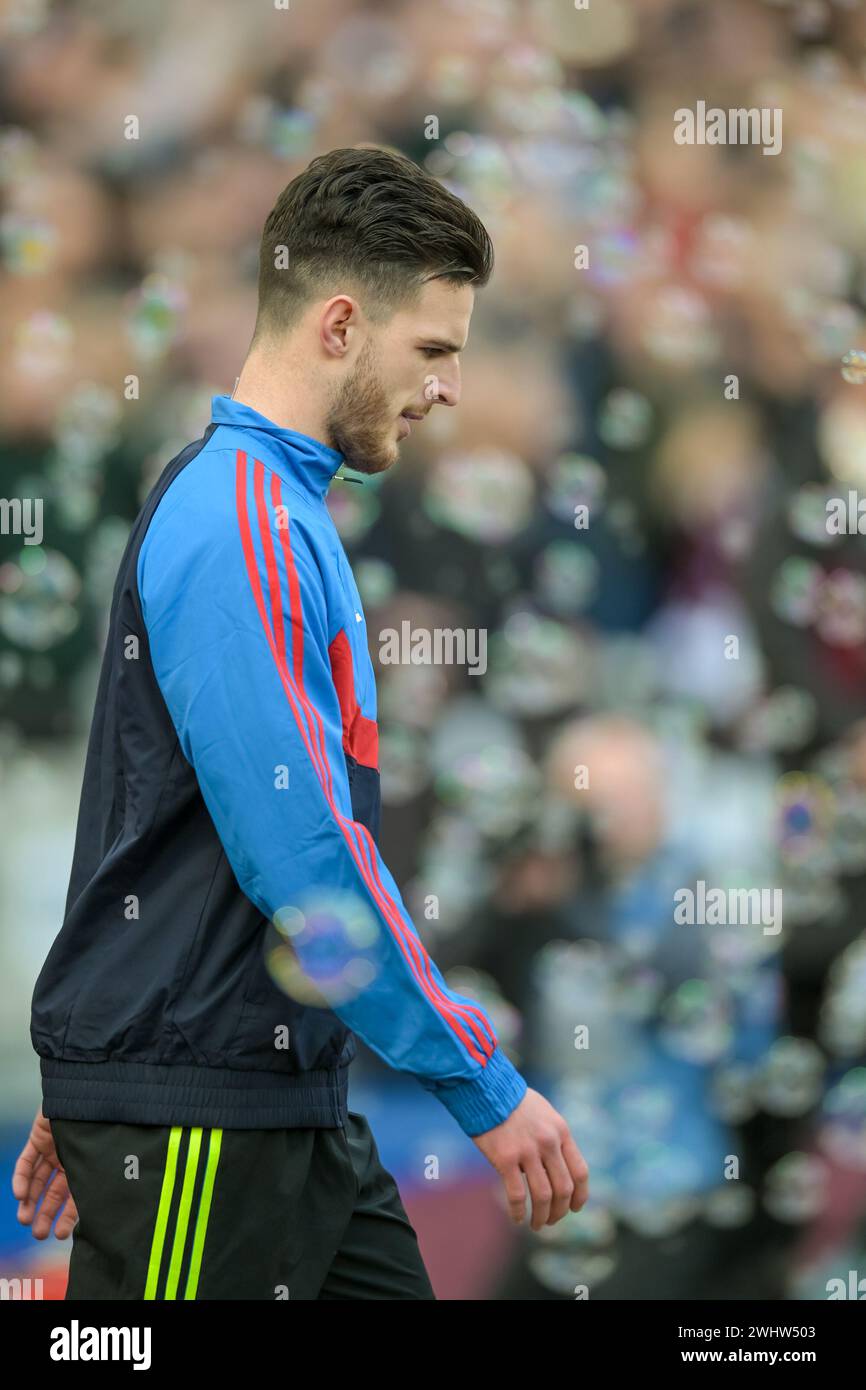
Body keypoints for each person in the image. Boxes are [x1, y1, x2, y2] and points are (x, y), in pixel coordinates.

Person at [13, 146, 588, 1300]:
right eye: (431, 349)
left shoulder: (274, 506)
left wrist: (103, 1059)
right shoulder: (242, 524)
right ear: (337, 326)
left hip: (264, 1102)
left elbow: (153, 815)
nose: (449, 388)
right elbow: (303, 860)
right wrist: (481, 1083)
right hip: (208, 1123)